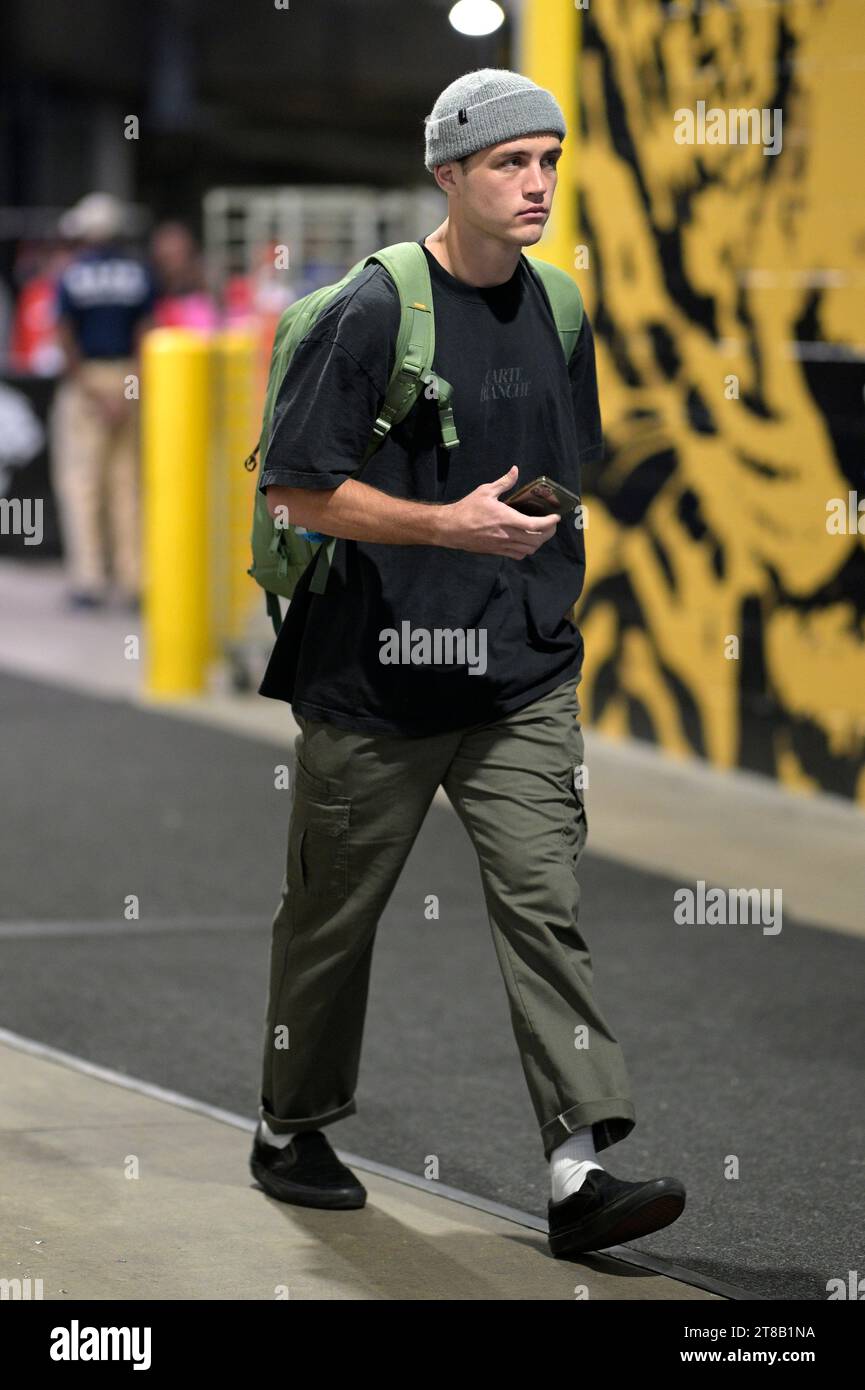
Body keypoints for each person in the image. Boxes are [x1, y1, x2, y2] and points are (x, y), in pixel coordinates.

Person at [249, 68, 686, 1258]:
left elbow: (562, 464)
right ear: (448, 174)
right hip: (373, 683)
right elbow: (294, 488)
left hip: (519, 678)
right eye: (508, 162)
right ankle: (290, 1127)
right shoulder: (370, 311)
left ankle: (576, 1167)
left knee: (546, 908)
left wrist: (534, 564)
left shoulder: (559, 306)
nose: (536, 181)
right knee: (333, 921)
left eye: (547, 159)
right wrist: (447, 525)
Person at [51, 192, 155, 608]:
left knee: (82, 485)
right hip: (130, 375)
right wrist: (131, 386)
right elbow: (147, 332)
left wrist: (90, 390)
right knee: (128, 485)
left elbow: (64, 338)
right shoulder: (139, 275)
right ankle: (134, 582)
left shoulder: (70, 276)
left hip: (87, 383)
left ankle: (88, 582)